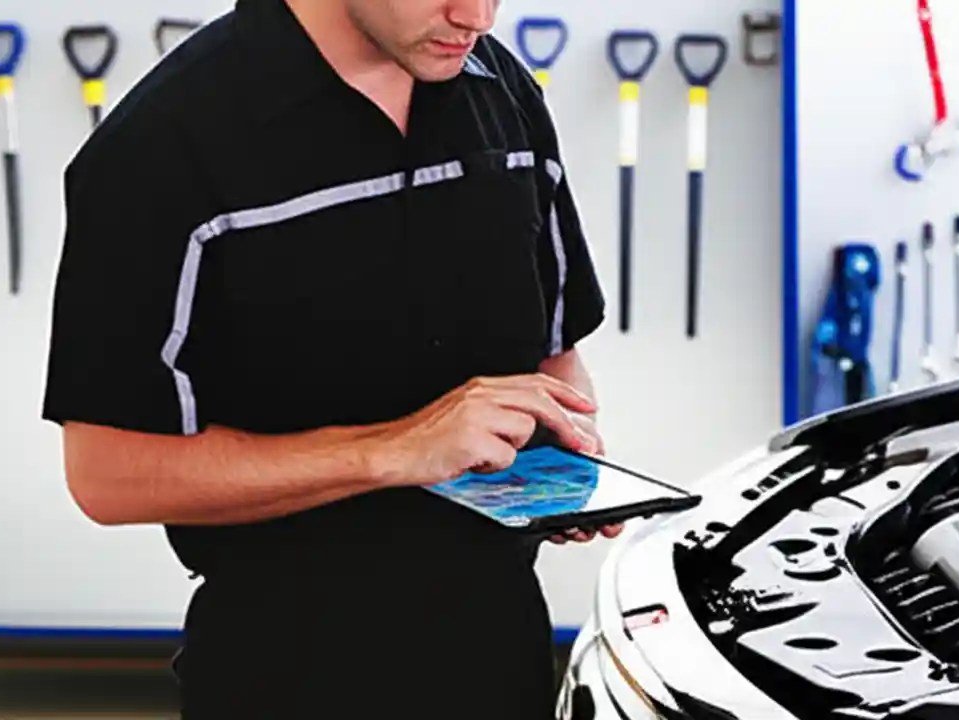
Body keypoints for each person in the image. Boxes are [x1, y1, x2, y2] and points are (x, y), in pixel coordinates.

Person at [40, 0, 618, 716]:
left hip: (503, 655)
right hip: (287, 673)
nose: (477, 16)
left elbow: (556, 355)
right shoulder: (160, 147)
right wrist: (394, 450)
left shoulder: (503, 94)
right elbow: (106, 474)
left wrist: (566, 458)